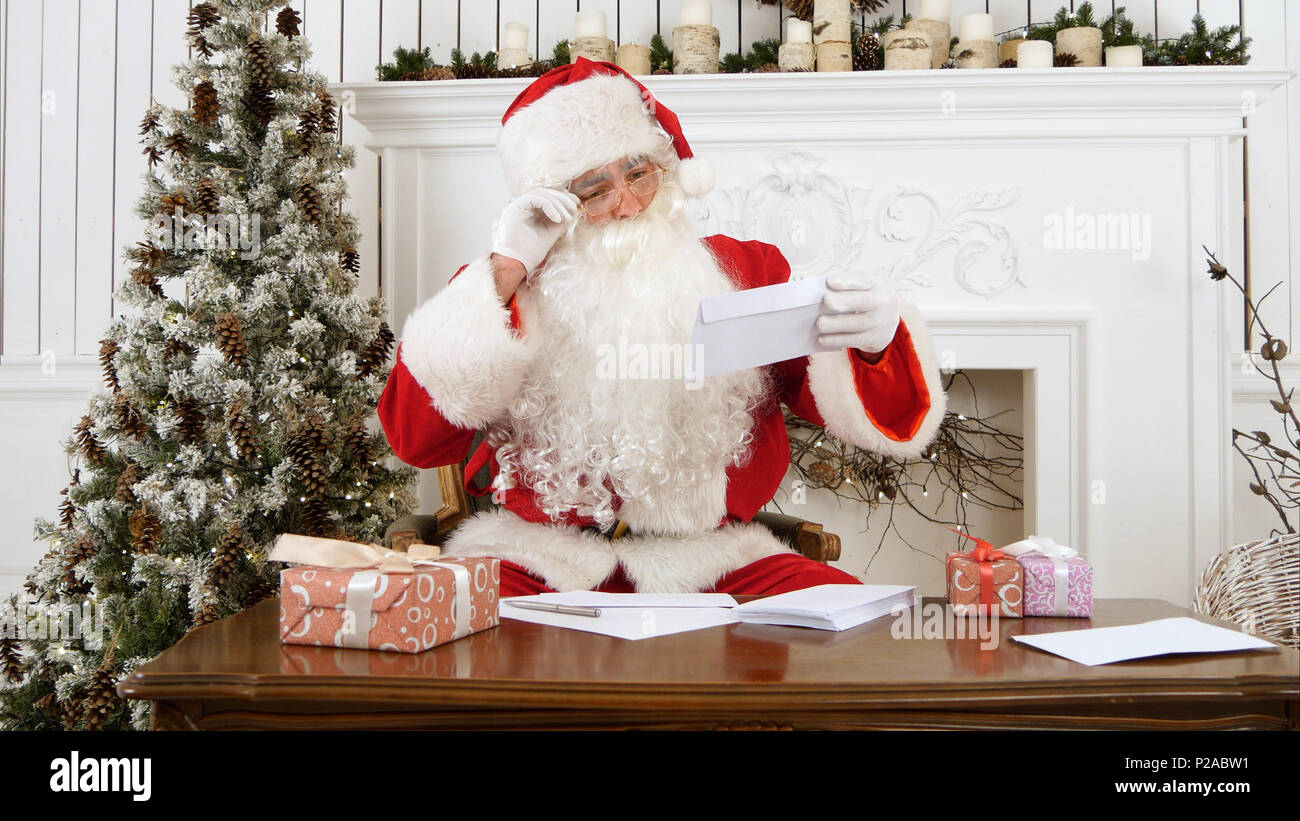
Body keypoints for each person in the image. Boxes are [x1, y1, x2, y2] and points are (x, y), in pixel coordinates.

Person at [377, 58, 947, 596]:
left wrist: (875, 344)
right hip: (540, 559)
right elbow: (418, 441)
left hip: (714, 559)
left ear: (666, 172)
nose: (627, 203)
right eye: (594, 190)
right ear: (553, 204)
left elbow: (843, 407)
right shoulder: (501, 294)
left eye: (638, 173)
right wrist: (503, 271)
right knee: (453, 632)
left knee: (853, 627)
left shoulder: (745, 272)